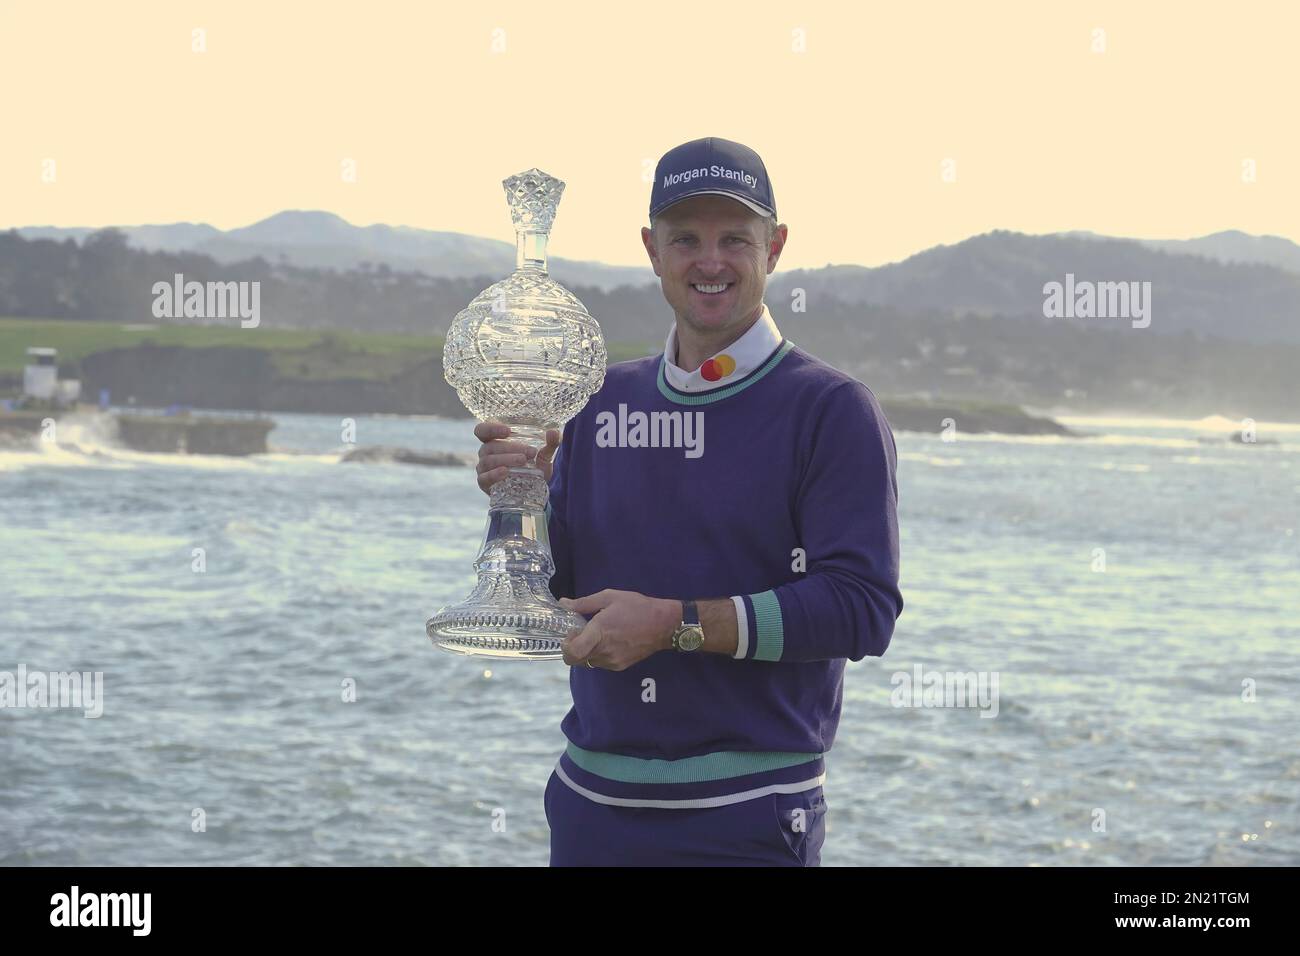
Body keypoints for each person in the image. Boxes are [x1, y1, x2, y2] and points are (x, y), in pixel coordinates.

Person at [474, 137, 903, 866]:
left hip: (745, 817)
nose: (710, 261)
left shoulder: (831, 410)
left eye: (734, 238)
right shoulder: (597, 399)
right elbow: (556, 601)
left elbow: (860, 609)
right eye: (686, 239)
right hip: (590, 808)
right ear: (651, 250)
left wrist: (675, 626)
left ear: (776, 247)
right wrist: (524, 503)